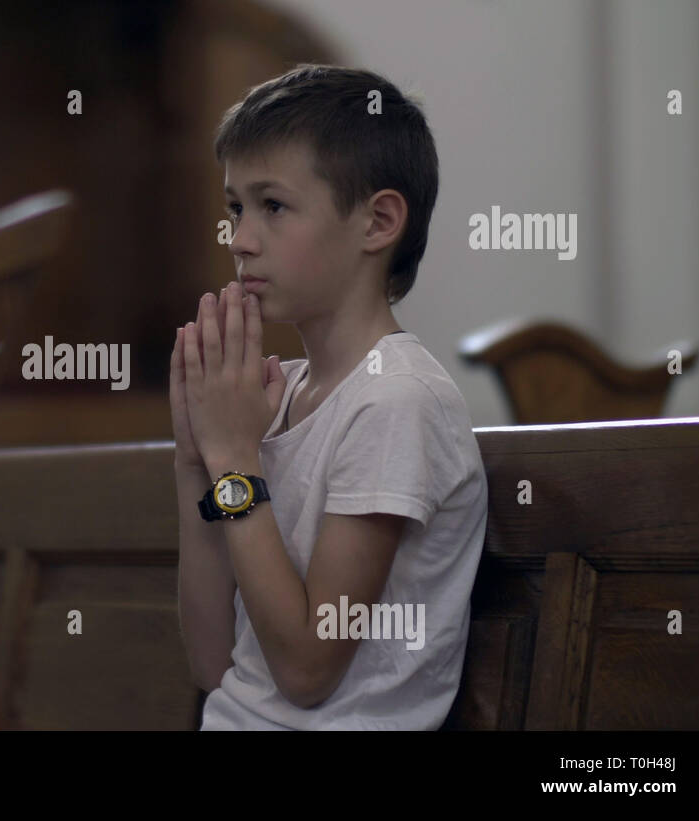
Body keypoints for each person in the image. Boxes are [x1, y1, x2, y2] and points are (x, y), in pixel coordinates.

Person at [172, 64, 488, 730]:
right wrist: (195, 464)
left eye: (273, 205)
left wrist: (233, 460)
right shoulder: (279, 396)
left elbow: (309, 670)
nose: (240, 238)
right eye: (235, 207)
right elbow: (211, 664)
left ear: (378, 221)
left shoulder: (397, 401)